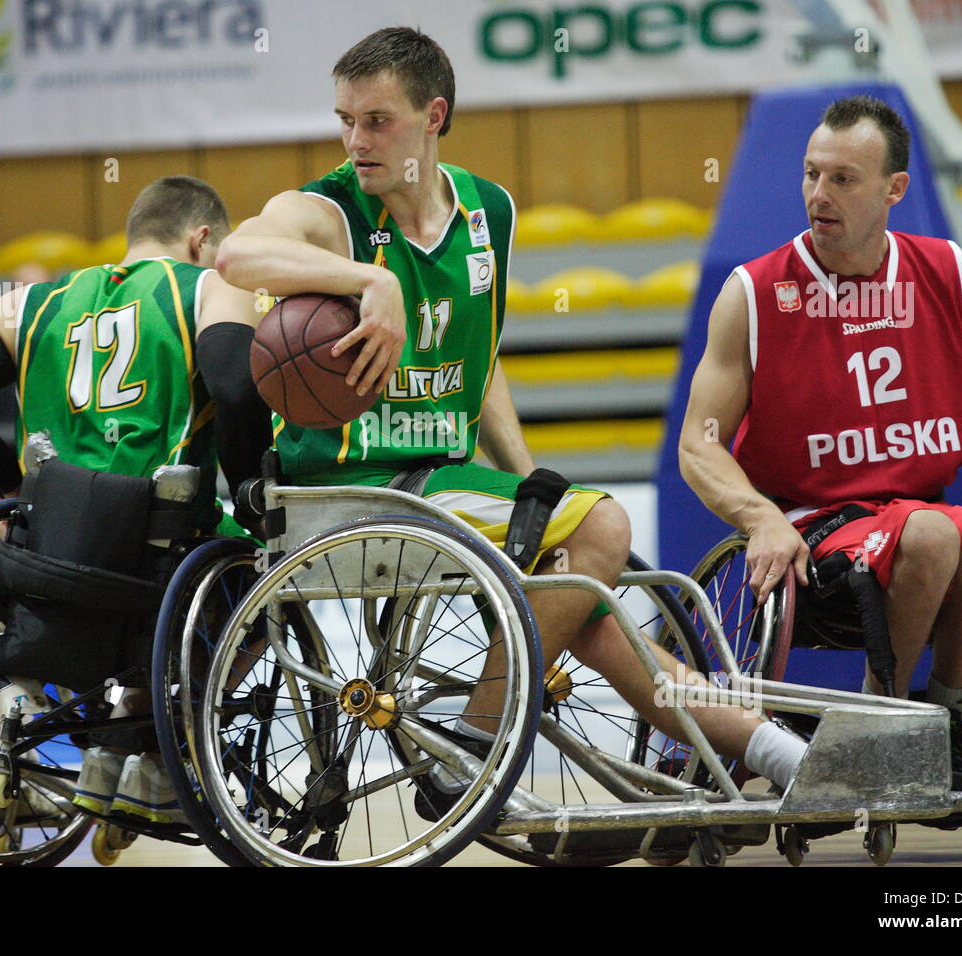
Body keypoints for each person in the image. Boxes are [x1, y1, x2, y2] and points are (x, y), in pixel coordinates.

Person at [214, 26, 810, 812]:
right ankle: (475, 739)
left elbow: (480, 358)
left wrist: (526, 476)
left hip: (440, 482)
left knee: (585, 610)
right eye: (345, 120)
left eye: (377, 120)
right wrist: (368, 281)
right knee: (602, 529)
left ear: (435, 116)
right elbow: (235, 256)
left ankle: (776, 751)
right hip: (351, 485)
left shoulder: (490, 211)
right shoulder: (330, 212)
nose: (356, 140)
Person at [678, 95, 962, 787]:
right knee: (940, 535)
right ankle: (884, 722)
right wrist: (760, 518)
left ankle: (943, 723)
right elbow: (698, 443)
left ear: (894, 190)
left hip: (918, 514)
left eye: (843, 179)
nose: (818, 195)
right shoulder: (755, 293)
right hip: (814, 524)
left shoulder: (951, 274)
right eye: (810, 174)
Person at [0, 175, 267, 827]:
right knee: (264, 580)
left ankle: (75, 732)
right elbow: (237, 389)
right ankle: (147, 753)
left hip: (46, 542)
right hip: (154, 549)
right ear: (201, 238)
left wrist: (6, 479)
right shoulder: (209, 284)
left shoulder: (41, 301)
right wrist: (248, 488)